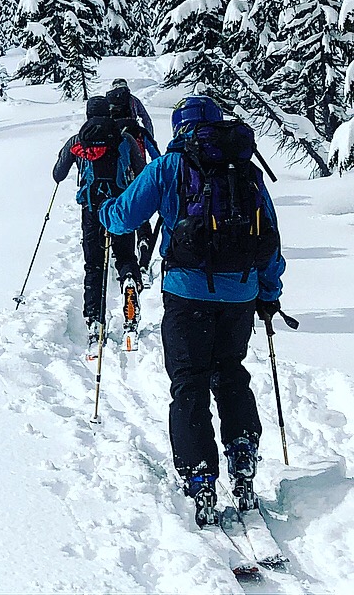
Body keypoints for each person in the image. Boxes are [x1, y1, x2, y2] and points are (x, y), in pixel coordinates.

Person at [99, 96, 285, 528]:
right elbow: (271, 238)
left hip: (186, 294)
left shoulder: (170, 167)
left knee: (189, 382)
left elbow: (123, 217)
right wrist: (269, 292)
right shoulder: (246, 170)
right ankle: (242, 452)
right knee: (231, 372)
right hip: (240, 293)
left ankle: (200, 477)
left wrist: (104, 207)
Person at [53, 95, 146, 349]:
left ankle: (95, 319)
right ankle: (128, 282)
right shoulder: (124, 138)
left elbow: (57, 174)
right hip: (120, 206)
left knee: (94, 265)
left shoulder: (78, 140)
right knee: (125, 256)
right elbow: (141, 171)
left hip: (91, 209)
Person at [106, 80, 161, 278]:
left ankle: (120, 244)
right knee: (139, 199)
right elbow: (146, 119)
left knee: (120, 200)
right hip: (138, 155)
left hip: (116, 162)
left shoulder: (108, 104)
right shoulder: (134, 101)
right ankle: (144, 237)